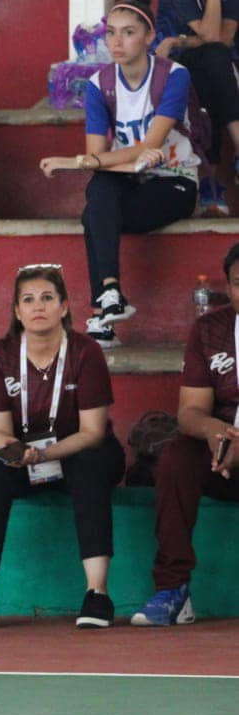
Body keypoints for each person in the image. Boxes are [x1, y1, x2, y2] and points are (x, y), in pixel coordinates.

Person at [0, 264, 125, 631]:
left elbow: (93, 431)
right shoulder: (1, 355)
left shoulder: (86, 352)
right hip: (27, 458)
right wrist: (15, 452)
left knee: (89, 467)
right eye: (29, 299)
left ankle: (97, 592)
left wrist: (46, 454)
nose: (39, 306)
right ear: (17, 311)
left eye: (48, 298)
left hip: (83, 452)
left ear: (64, 307)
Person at [39, 0, 200, 349]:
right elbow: (99, 153)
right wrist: (97, 162)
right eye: (111, 32)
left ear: (149, 36)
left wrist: (74, 162)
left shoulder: (173, 76)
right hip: (127, 178)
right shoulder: (100, 83)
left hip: (173, 183)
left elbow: (148, 145)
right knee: (100, 193)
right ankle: (111, 295)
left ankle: (103, 310)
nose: (116, 41)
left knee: (94, 213)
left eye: (128, 32)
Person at [130, 240, 239, 626]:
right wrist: (213, 431)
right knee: (176, 455)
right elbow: (190, 410)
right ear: (228, 286)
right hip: (221, 451)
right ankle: (173, 590)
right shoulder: (211, 329)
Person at [156, 0, 239, 214]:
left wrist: (181, 39)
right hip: (177, 63)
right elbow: (212, 34)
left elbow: (224, 38)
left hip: (219, 65)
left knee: (216, 60)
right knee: (210, 68)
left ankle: (210, 184)